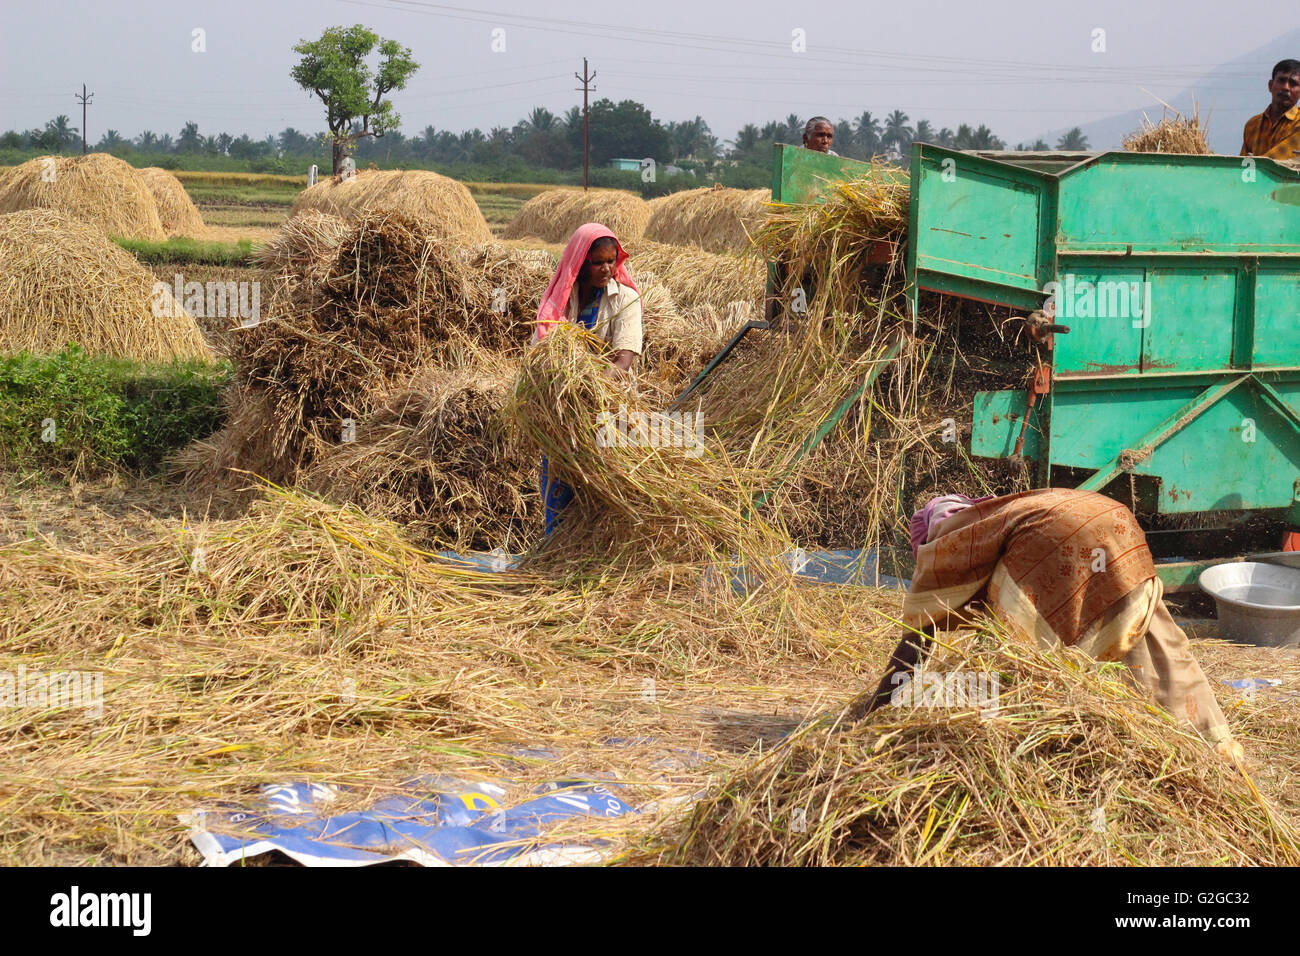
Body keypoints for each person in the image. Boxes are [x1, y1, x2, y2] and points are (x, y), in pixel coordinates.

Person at [846, 488, 1243, 762]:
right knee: (1147, 631)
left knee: (1031, 638)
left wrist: (876, 707)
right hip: (1115, 520)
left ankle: (1061, 739)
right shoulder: (1000, 513)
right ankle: (1210, 743)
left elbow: (917, 638)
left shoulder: (947, 538)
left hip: (1065, 537)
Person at [533, 222, 644, 535]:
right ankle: (555, 552)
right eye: (598, 262)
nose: (606, 268)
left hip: (606, 409)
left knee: (600, 491)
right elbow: (543, 348)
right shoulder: (562, 300)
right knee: (559, 483)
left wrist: (591, 390)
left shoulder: (625, 300)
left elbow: (624, 358)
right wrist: (564, 392)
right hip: (562, 412)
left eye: (611, 261)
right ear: (581, 262)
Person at [1241, 59, 1300, 160]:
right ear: (1270, 85)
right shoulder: (1252, 125)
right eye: (1281, 81)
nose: (1286, 87)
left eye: (1293, 83)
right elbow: (1244, 165)